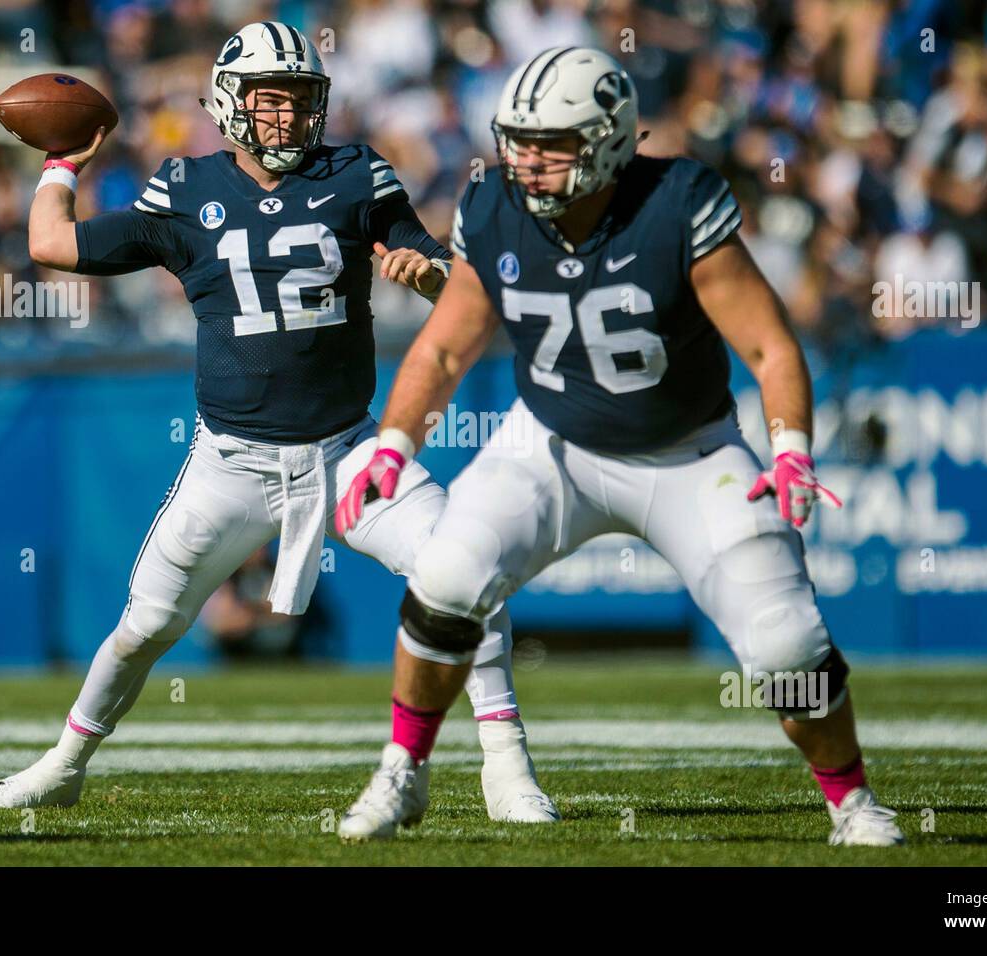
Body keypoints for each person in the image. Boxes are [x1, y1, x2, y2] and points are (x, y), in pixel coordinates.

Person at [0, 22, 557, 824]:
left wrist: (428, 272)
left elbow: (444, 281)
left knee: (465, 575)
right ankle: (63, 764)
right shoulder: (185, 187)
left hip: (346, 450)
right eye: (271, 100)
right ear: (233, 103)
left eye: (301, 99)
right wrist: (63, 163)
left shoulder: (357, 175)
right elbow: (51, 243)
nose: (287, 117)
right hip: (231, 462)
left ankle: (507, 768)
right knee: (144, 627)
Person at [335, 46, 904, 847]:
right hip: (552, 443)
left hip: (691, 454)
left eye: (552, 144)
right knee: (447, 574)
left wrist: (791, 451)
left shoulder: (677, 201)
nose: (527, 161)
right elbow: (443, 350)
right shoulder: (492, 207)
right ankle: (403, 771)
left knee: (786, 643)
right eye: (519, 141)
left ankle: (852, 802)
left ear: (607, 140)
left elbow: (772, 347)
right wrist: (395, 443)